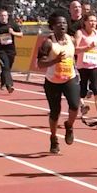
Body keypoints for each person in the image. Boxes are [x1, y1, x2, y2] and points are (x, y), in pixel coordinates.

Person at [34, 14, 80, 155]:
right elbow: (40, 64)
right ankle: (53, 138)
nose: (62, 25)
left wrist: (75, 69)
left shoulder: (71, 39)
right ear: (53, 26)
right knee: (55, 112)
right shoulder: (48, 43)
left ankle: (69, 125)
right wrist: (55, 61)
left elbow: (73, 57)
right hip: (53, 81)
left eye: (64, 23)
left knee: (75, 105)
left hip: (69, 78)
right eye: (59, 23)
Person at [75, 14, 97, 127]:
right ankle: (82, 105)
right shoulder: (80, 33)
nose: (93, 23)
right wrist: (87, 48)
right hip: (83, 66)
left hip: (95, 65)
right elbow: (75, 50)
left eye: (95, 21)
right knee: (82, 90)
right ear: (85, 22)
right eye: (91, 21)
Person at [0, 7, 20, 94]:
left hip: (11, 50)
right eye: (2, 16)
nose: (3, 17)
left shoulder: (12, 25)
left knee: (7, 67)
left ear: (7, 16)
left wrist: (13, 33)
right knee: (5, 66)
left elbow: (21, 34)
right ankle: (9, 85)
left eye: (5, 15)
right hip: (0, 50)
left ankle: (3, 81)